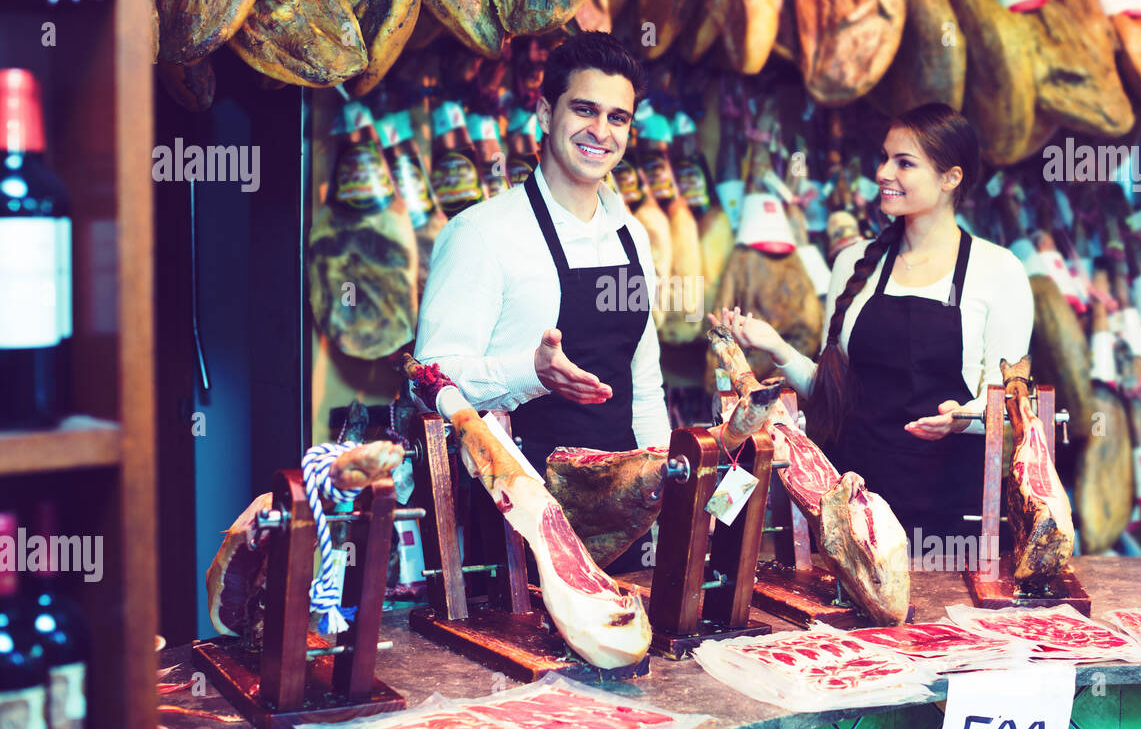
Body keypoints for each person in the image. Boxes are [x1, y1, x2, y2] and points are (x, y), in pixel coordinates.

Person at [711, 103, 1033, 542]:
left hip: (948, 511)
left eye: (904, 163)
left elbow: (1007, 404)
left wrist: (962, 417)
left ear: (950, 178)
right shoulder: (854, 263)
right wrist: (777, 348)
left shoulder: (998, 271)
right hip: (853, 498)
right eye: (884, 158)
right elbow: (831, 396)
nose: (884, 172)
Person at [412, 32, 670, 572]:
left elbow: (643, 386)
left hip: (622, 520)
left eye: (618, 118)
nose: (601, 132)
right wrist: (530, 372)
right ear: (546, 112)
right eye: (584, 110)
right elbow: (427, 380)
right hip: (517, 520)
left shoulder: (633, 235)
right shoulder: (482, 233)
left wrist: (668, 490)